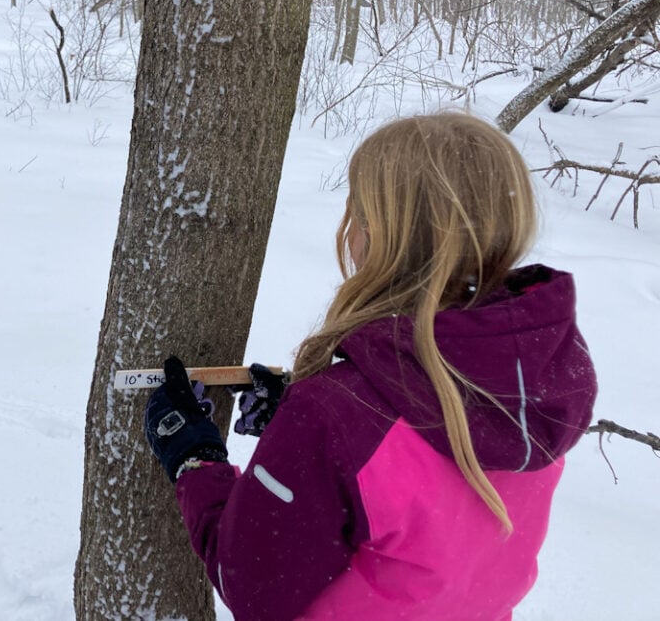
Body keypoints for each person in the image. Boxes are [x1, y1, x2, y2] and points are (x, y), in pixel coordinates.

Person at [144, 112, 598, 621]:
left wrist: (196, 460)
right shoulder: (539, 378)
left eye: (357, 210)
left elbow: (249, 583)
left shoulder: (333, 417)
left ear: (381, 235)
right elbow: (421, 478)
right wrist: (305, 435)